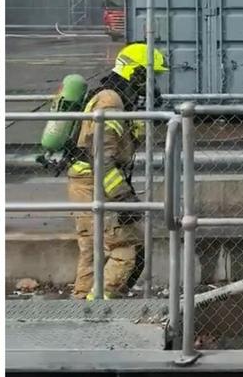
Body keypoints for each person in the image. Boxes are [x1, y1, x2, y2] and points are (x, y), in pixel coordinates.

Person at [68, 42, 168, 300]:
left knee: (93, 252)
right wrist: (123, 198)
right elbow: (102, 157)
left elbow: (121, 144)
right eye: (150, 77)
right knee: (126, 251)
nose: (152, 85)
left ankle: (81, 307)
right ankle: (99, 307)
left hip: (87, 181)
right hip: (96, 183)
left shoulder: (117, 99)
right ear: (136, 73)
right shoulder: (110, 102)